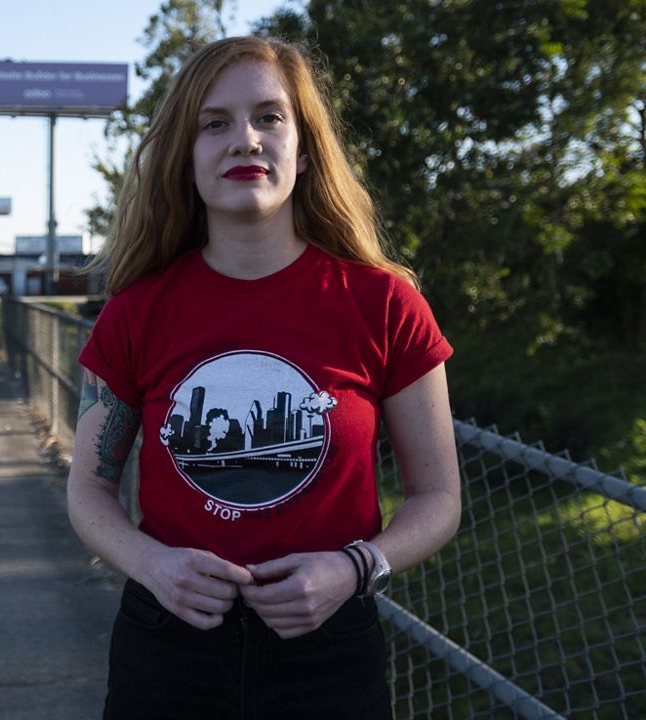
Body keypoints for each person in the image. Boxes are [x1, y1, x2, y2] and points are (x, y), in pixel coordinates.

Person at [67, 36, 462, 719]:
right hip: (169, 648)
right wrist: (154, 565)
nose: (244, 139)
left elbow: (438, 498)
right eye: (213, 123)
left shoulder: (385, 305)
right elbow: (89, 487)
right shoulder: (136, 312)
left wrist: (355, 567)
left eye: (269, 117)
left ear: (305, 150)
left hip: (330, 651)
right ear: (186, 159)